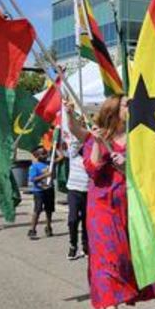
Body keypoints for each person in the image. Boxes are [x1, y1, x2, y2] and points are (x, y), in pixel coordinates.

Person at [83, 95, 155, 309]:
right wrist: (98, 143)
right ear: (113, 110)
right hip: (102, 208)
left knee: (123, 262)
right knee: (106, 261)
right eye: (126, 105)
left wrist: (129, 164)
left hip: (130, 207)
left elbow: (151, 170)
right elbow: (91, 168)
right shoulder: (98, 136)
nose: (131, 109)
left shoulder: (138, 137)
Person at [64, 103, 91, 260]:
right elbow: (76, 137)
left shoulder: (91, 152)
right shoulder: (74, 151)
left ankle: (85, 246)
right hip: (74, 189)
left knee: (87, 221)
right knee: (73, 219)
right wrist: (72, 116)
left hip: (88, 190)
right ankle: (72, 244)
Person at [26, 147, 55, 240]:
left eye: (46, 153)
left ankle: (48, 227)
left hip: (49, 189)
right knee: (37, 210)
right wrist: (45, 175)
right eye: (43, 154)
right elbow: (32, 179)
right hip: (39, 191)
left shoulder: (48, 165)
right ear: (37, 156)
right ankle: (32, 229)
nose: (45, 155)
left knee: (49, 210)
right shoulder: (34, 166)